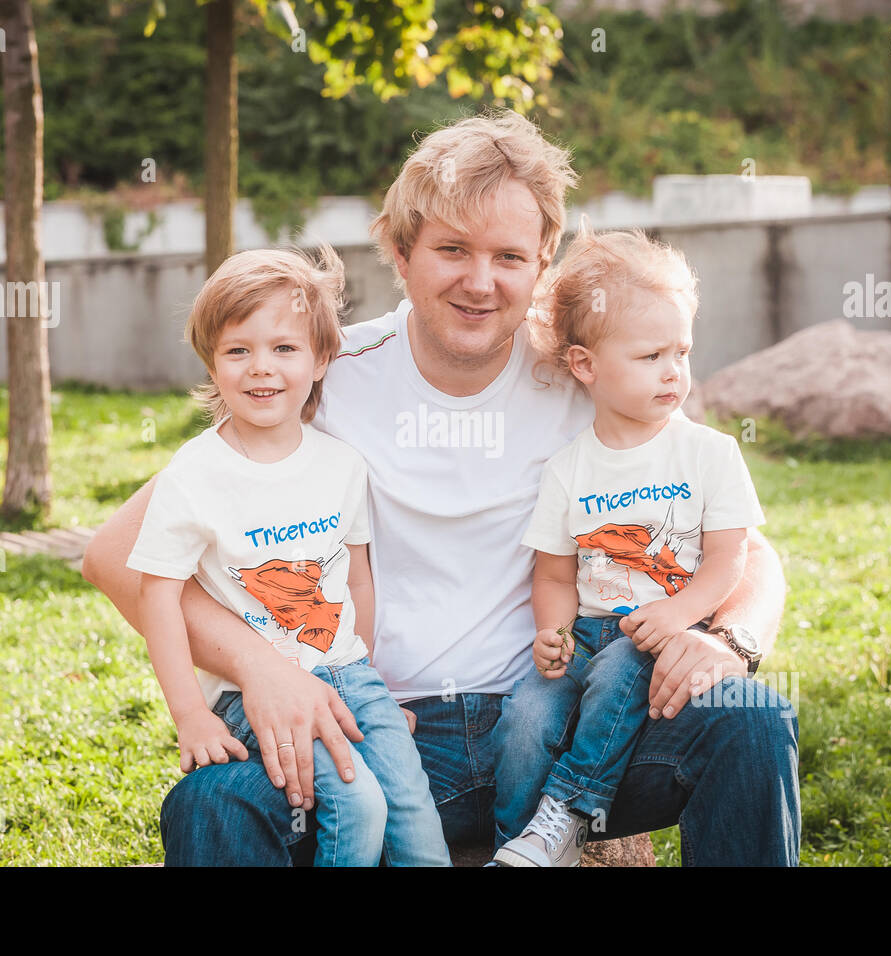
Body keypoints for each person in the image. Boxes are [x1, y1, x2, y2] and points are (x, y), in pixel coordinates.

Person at [82, 110, 800, 866]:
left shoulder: (591, 377)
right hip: (380, 731)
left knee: (748, 717)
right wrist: (265, 670)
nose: (480, 282)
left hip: (561, 730)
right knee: (212, 803)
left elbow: (749, 553)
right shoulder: (323, 374)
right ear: (399, 250)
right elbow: (114, 555)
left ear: (542, 259)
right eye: (452, 248)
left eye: (509, 256)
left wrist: (729, 639)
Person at [123, 244, 450, 866]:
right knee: (360, 806)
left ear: (322, 357)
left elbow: (356, 580)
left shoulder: (341, 464)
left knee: (414, 818)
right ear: (211, 361)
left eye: (283, 349)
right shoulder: (194, 473)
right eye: (237, 351)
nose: (260, 369)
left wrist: (373, 682)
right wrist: (189, 714)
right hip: (255, 694)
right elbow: (156, 594)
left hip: (352, 677)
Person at [492, 228, 767, 866]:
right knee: (526, 715)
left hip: (667, 630)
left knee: (618, 673)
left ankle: (568, 810)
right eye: (650, 357)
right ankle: (517, 846)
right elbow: (557, 576)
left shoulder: (708, 453)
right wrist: (552, 634)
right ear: (586, 365)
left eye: (682, 352)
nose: (674, 372)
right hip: (589, 628)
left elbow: (731, 558)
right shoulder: (567, 469)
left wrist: (677, 615)